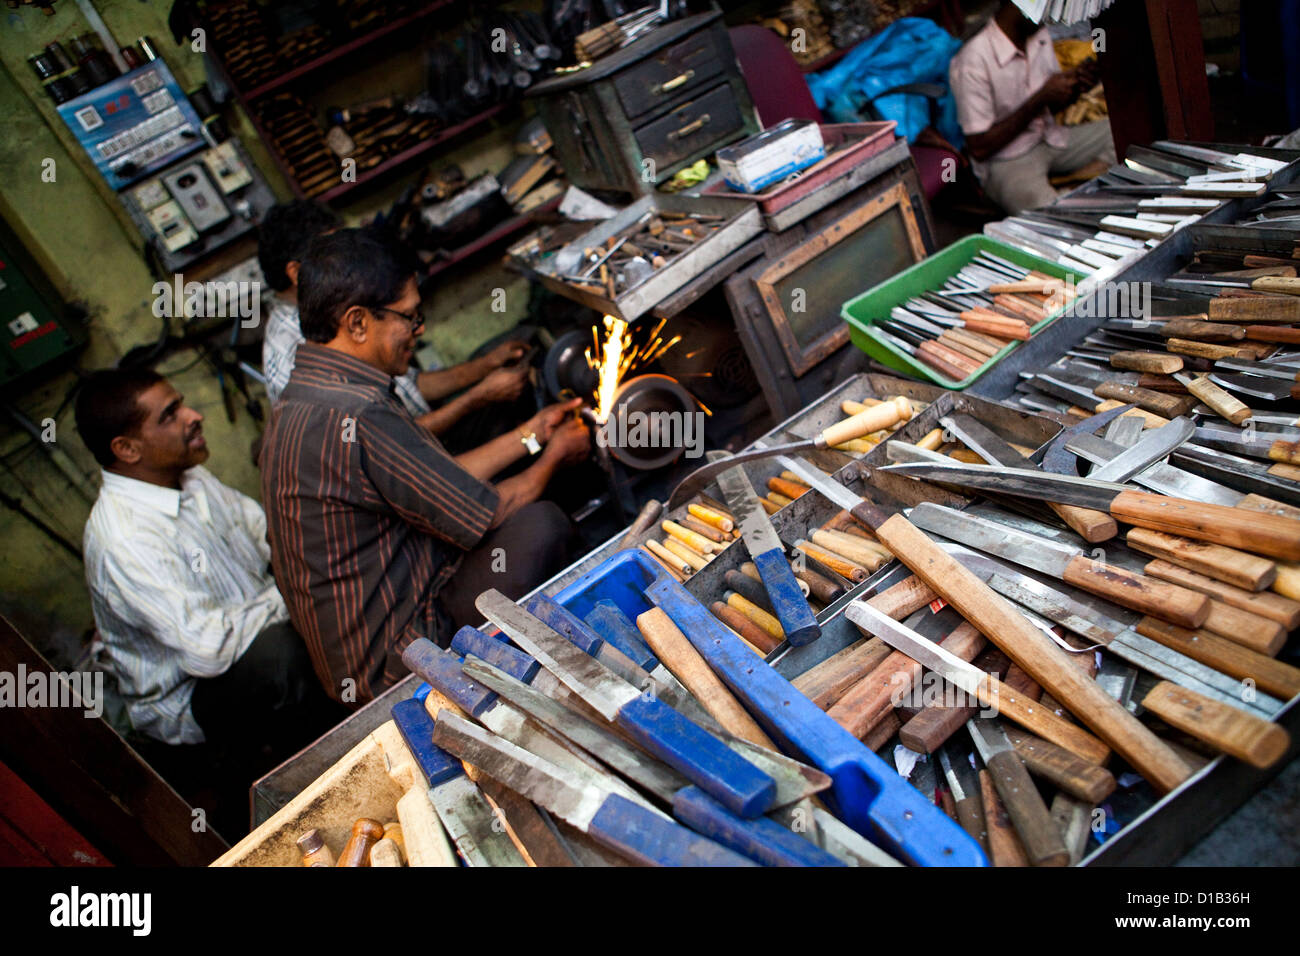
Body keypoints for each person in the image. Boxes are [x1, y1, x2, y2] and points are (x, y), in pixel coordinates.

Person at [259, 228, 590, 707]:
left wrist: (536, 432)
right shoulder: (358, 411)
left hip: (361, 650)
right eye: (410, 317)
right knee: (540, 524)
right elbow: (489, 511)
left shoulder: (307, 395)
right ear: (356, 323)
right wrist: (556, 454)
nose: (419, 330)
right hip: (397, 660)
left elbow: (441, 481)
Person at [76, 368, 343, 833]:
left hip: (251, 624)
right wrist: (293, 594)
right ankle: (332, 779)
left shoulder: (189, 476)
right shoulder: (123, 538)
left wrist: (304, 576)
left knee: (324, 585)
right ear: (127, 449)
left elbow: (268, 537)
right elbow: (208, 649)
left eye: (182, 404)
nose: (194, 416)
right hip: (190, 695)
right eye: (171, 414)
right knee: (284, 656)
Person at [257, 201, 531, 436]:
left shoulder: (330, 308)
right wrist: (478, 397)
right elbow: (388, 445)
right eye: (335, 255)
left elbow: (411, 386)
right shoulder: (294, 355)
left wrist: (485, 366)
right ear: (297, 273)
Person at [949, 2, 1116, 214]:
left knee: (1121, 133)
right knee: (1052, 217)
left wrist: (1074, 88)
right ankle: (1067, 192)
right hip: (1007, 161)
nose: (1052, 20)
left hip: (1049, 138)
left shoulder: (1038, 35)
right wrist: (1040, 98)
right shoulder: (972, 61)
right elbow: (979, 148)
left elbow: (1049, 107)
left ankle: (1072, 186)